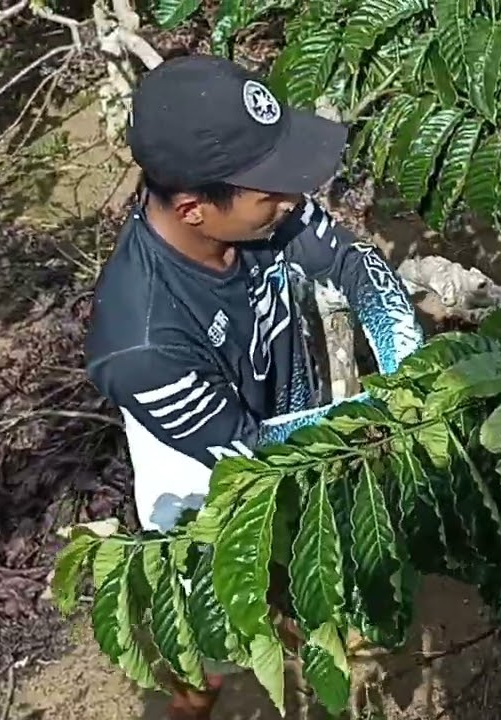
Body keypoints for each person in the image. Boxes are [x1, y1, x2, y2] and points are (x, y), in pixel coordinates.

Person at [83, 54, 423, 718]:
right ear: (195, 210)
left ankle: (298, 617)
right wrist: (379, 412)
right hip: (209, 491)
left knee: (301, 572)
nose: (293, 201)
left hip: (288, 417)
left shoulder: (260, 211)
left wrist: (407, 363)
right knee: (208, 634)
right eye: (269, 190)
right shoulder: (142, 344)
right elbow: (246, 449)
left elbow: (352, 264)